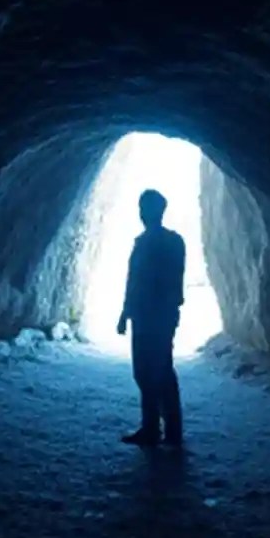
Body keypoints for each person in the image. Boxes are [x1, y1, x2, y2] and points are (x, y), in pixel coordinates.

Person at [117, 189, 186, 446]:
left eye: (143, 208)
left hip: (150, 315)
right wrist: (126, 312)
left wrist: (127, 312)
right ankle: (166, 428)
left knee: (150, 371)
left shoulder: (147, 242)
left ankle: (157, 429)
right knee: (157, 369)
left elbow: (136, 281)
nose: (142, 213)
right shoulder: (172, 241)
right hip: (157, 314)